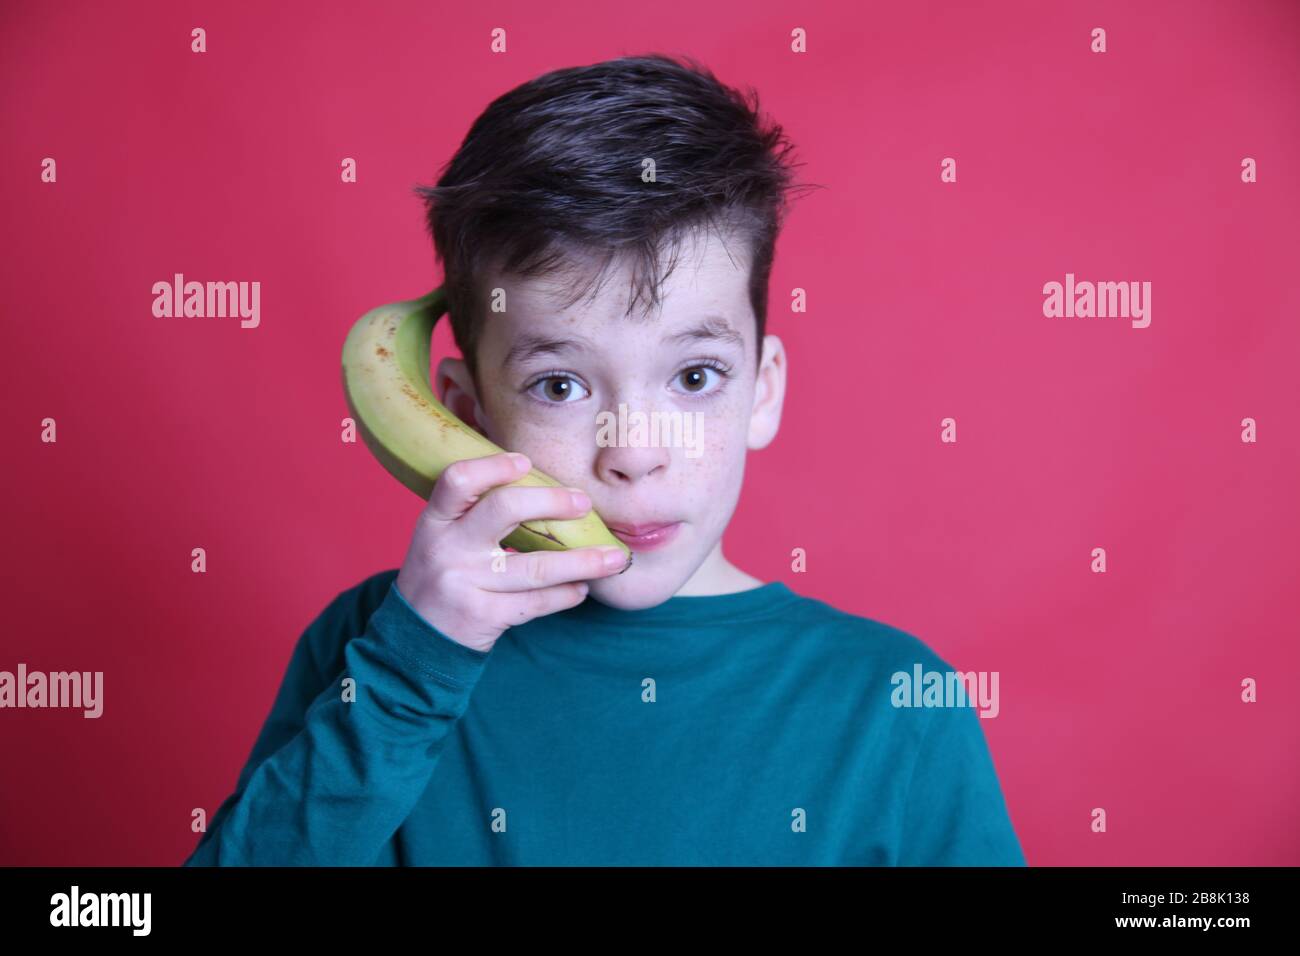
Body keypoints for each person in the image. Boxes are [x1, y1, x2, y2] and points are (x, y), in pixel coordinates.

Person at [184, 53, 1024, 866]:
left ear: (762, 393)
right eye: (558, 386)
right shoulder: (378, 648)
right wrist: (410, 672)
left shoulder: (896, 703)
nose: (633, 453)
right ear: (465, 414)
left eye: (695, 376)